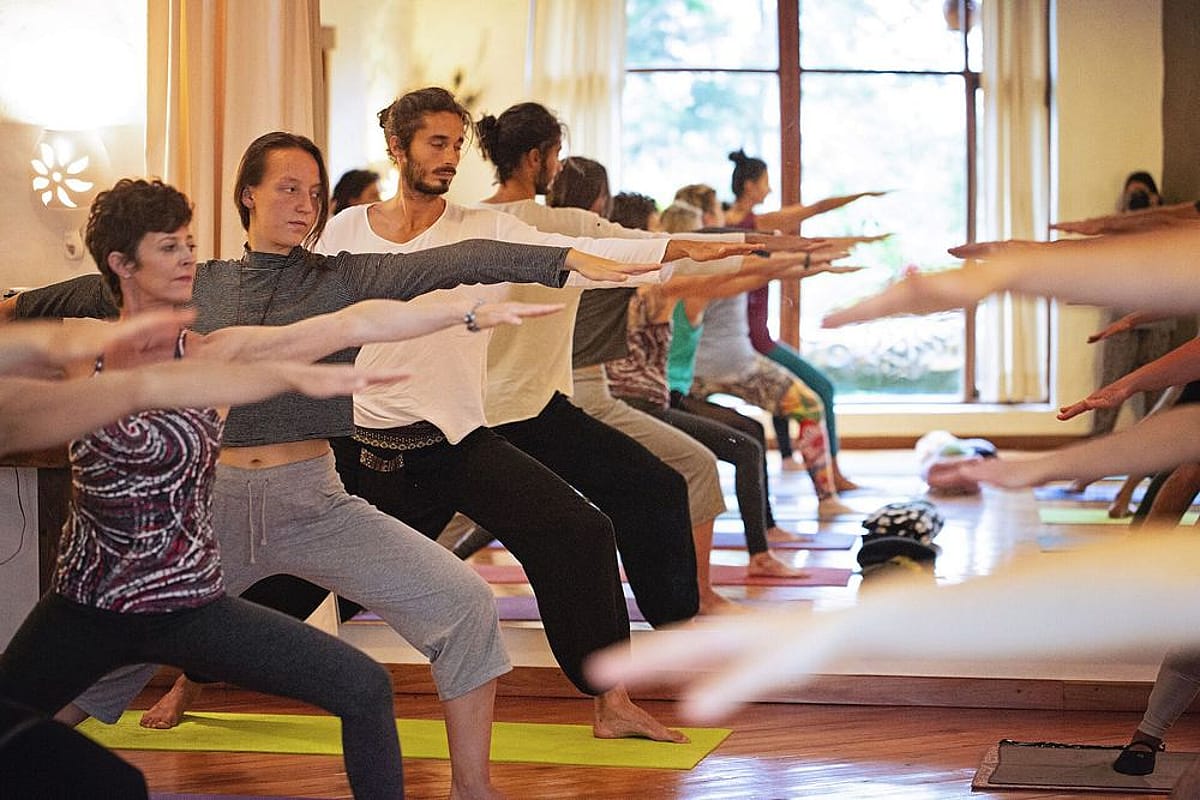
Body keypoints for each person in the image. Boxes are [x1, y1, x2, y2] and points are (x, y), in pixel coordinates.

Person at [11, 132, 642, 800]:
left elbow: (403, 294)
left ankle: (472, 790)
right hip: (201, 517)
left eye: (315, 192)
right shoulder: (196, 293)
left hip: (310, 499)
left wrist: (538, 275)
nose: (306, 204)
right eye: (288, 187)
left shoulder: (328, 281)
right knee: (107, 656)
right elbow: (47, 308)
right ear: (247, 193)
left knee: (462, 605)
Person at [605, 199, 859, 575]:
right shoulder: (663, 288)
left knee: (749, 437)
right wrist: (801, 262)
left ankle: (762, 541)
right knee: (744, 448)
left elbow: (742, 277)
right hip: (652, 403)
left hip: (667, 397)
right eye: (655, 231)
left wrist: (797, 260)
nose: (661, 239)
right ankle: (755, 557)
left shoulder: (628, 285)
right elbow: (742, 278)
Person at [722, 154, 882, 485]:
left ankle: (789, 455)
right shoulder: (752, 225)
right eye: (765, 181)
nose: (769, 189)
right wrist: (861, 197)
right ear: (750, 186)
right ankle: (832, 473)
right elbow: (815, 209)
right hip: (753, 341)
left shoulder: (724, 223)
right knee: (822, 388)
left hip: (744, 337)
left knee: (788, 385)